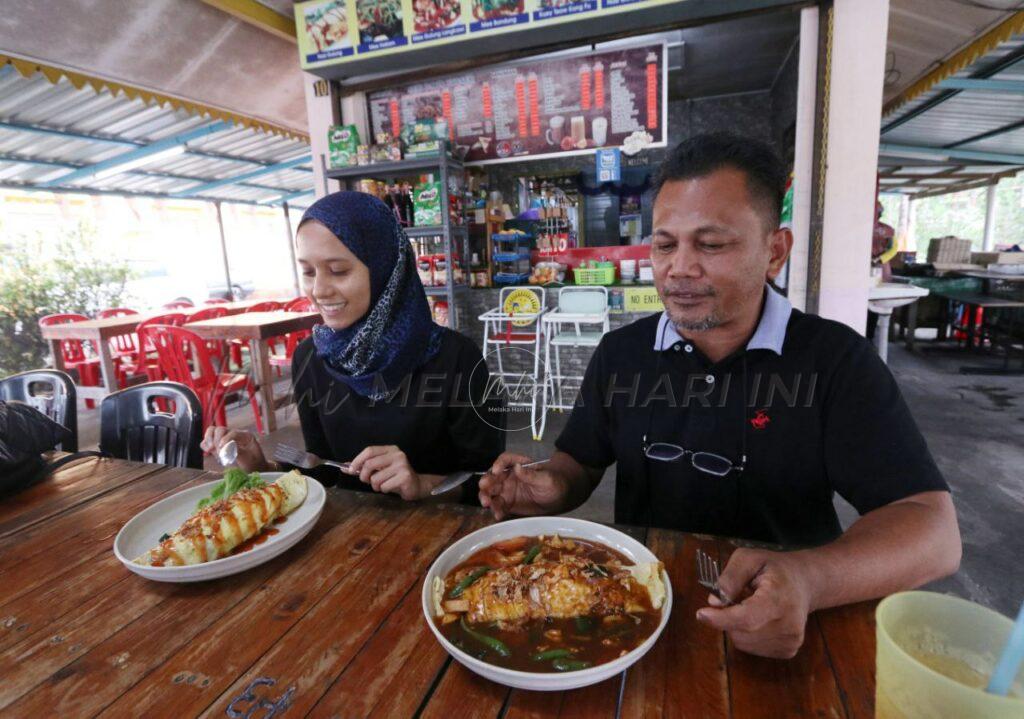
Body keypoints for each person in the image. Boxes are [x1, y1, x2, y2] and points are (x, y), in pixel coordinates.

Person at [478, 132, 961, 658]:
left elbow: (932, 531)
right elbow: (581, 463)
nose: (679, 267)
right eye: (665, 245)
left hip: (784, 628)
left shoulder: (834, 361)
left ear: (774, 251)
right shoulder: (622, 354)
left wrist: (809, 578)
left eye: (711, 244)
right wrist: (550, 484)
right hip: (634, 620)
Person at [202, 191, 504, 501]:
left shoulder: (456, 359)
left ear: (386, 267)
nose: (318, 290)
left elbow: (492, 484)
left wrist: (420, 484)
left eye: (338, 271)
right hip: (349, 535)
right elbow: (324, 471)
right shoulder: (311, 358)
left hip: (442, 534)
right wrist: (261, 465)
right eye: (308, 272)